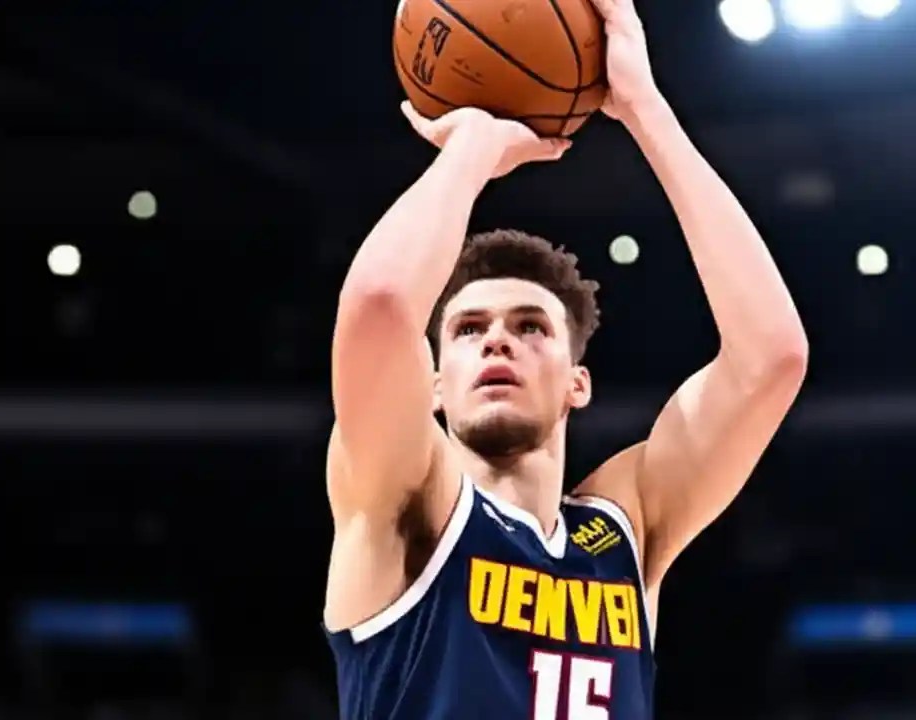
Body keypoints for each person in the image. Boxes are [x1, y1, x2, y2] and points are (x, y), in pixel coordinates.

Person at [322, 0, 808, 717]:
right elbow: (380, 306)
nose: (497, 340)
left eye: (530, 327)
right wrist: (473, 147)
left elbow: (773, 357)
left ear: (578, 382)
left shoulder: (623, 531)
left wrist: (643, 107)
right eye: (466, 330)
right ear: (431, 385)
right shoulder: (402, 499)